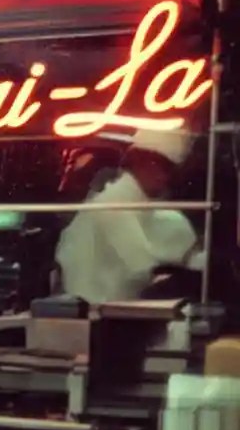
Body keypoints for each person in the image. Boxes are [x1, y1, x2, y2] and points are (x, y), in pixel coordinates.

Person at [55, 129, 203, 304]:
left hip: (117, 312)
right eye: (160, 165)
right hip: (100, 316)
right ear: (139, 160)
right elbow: (141, 268)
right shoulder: (113, 205)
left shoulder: (152, 212)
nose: (165, 176)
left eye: (170, 170)